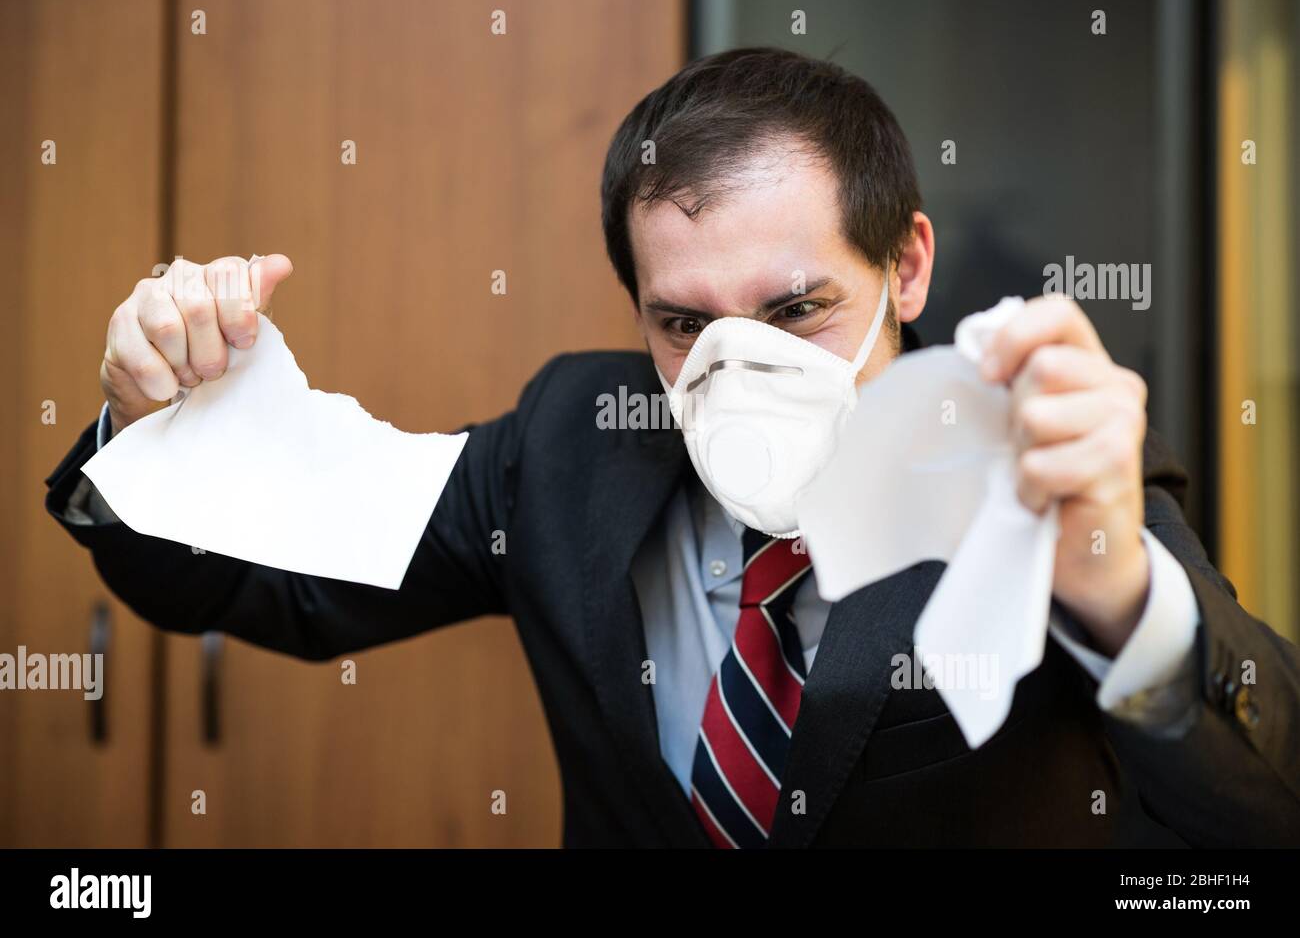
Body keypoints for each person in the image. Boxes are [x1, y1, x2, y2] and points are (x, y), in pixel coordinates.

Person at [46, 47, 1299, 847]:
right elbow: (249, 581)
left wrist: (1129, 605)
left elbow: (1262, 803)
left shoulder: (1028, 462)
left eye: (796, 309)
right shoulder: (567, 450)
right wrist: (158, 428)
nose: (737, 363)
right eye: (684, 322)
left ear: (905, 265)